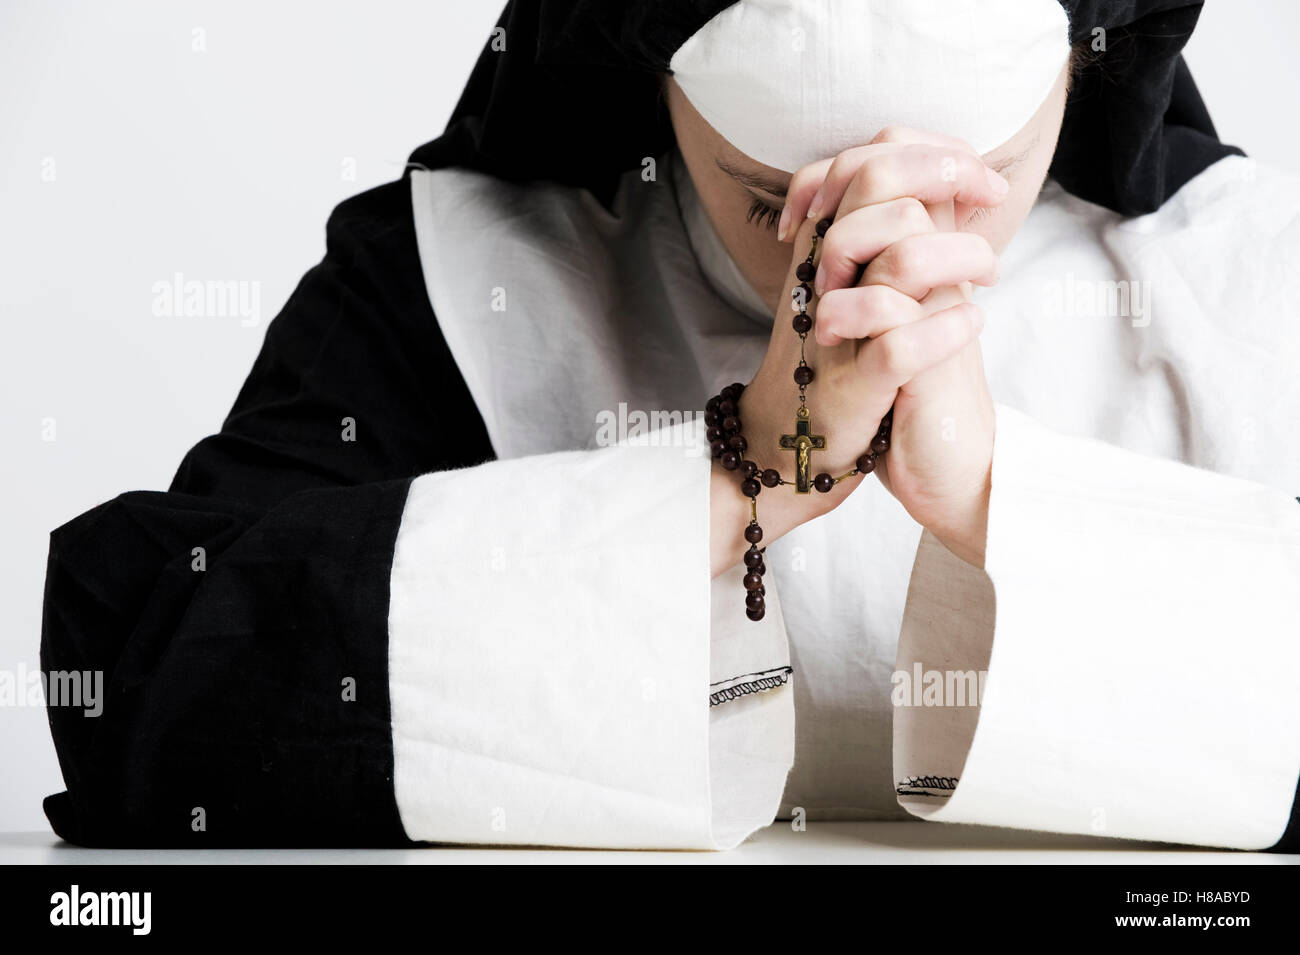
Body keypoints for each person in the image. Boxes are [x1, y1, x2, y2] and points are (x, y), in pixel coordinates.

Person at [40, 0, 1300, 851]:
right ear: (655, 75)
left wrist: (992, 504)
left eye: (964, 183)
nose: (862, 249)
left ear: (1080, 66)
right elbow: (130, 672)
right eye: (773, 200)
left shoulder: (1232, 286)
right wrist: (738, 471)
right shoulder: (464, 281)